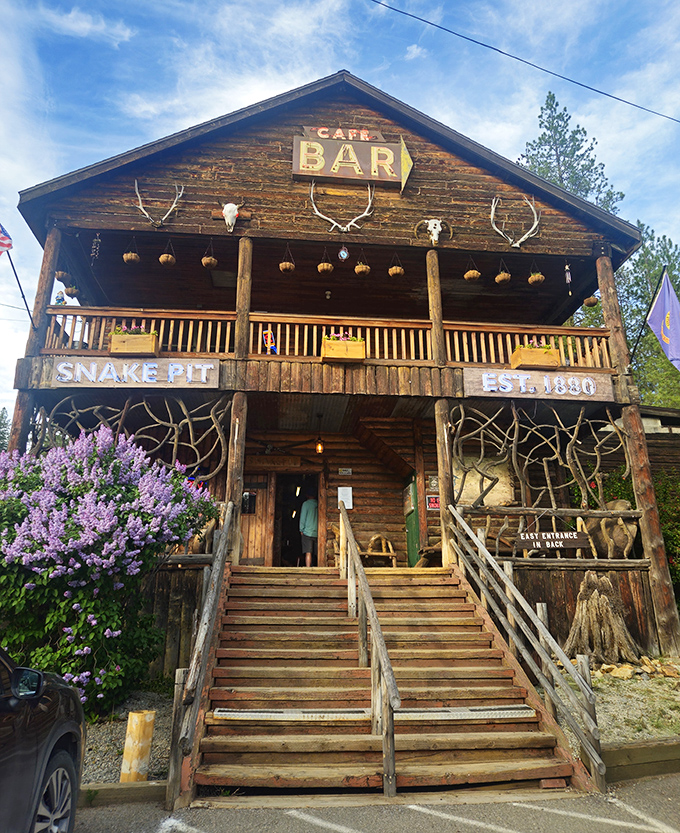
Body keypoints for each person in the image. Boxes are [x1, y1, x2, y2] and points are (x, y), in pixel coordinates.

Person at [299, 489, 318, 567]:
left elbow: (303, 518)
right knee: (317, 552)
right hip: (317, 532)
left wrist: (301, 529)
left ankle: (308, 569)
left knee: (308, 552)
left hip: (307, 531)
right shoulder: (318, 504)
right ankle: (318, 567)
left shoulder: (306, 504)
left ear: (307, 495)